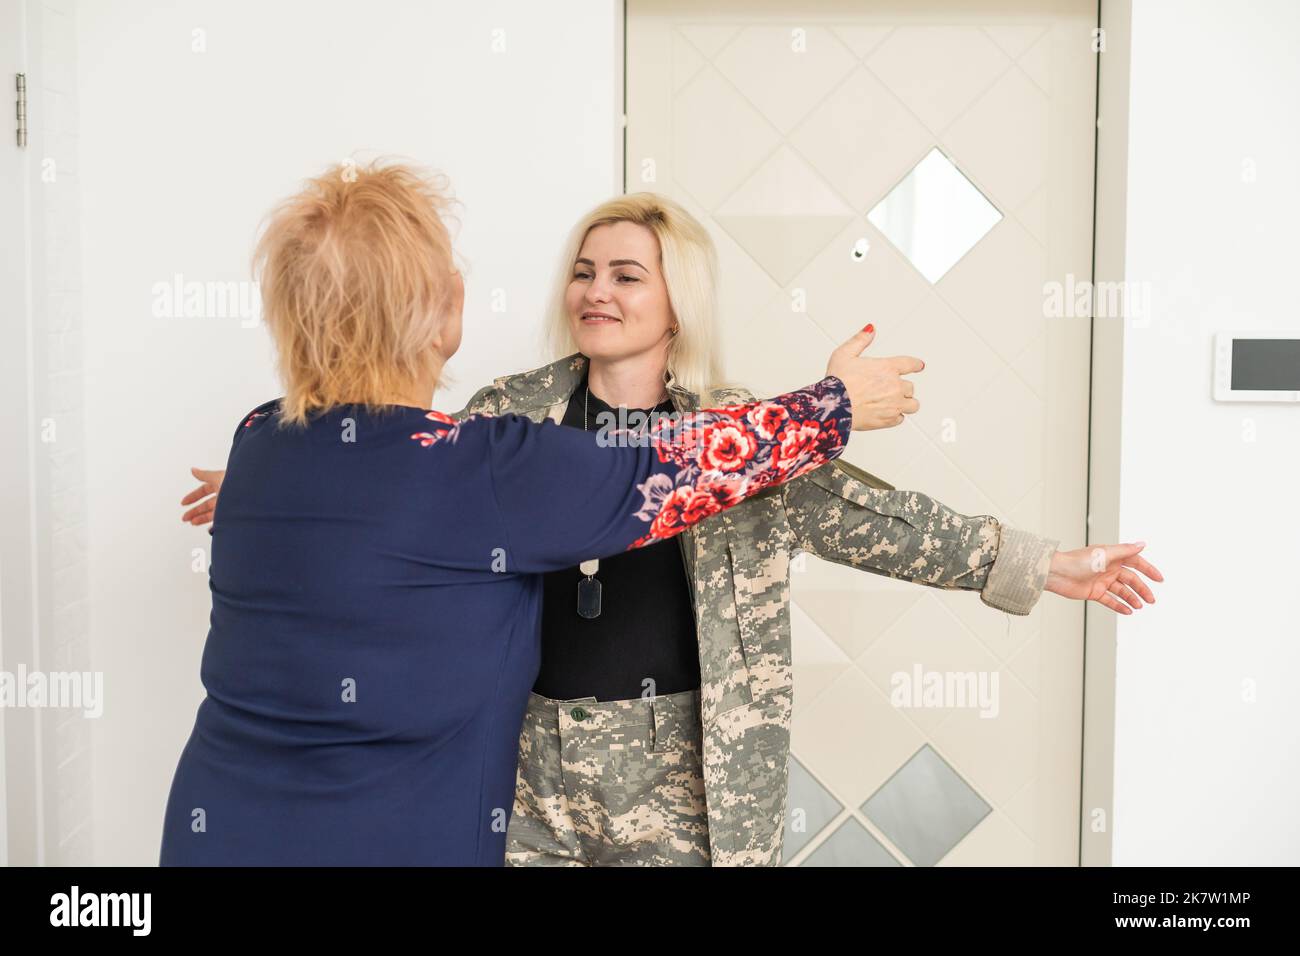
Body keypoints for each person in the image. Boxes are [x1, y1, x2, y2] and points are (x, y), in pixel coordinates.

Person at [180, 191, 1163, 867]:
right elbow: (405, 473)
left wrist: (1035, 562)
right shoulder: (500, 418)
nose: (597, 291)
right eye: (583, 271)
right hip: (525, 781)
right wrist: (301, 473)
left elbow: (872, 515)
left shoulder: (738, 433)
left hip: (682, 782)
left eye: (626, 275)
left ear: (674, 299)